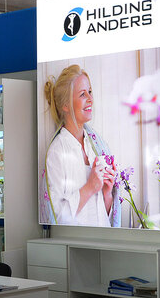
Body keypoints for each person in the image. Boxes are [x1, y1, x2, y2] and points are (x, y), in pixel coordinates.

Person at [41, 65, 120, 226]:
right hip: (76, 241)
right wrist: (90, 187)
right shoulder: (57, 152)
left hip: (104, 239)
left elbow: (101, 215)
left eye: (90, 92)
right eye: (83, 94)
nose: (90, 99)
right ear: (66, 105)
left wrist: (107, 194)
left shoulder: (96, 147)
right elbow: (57, 217)